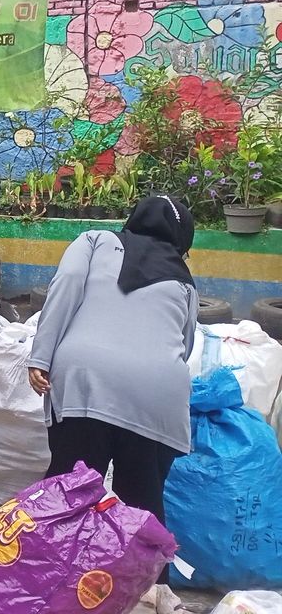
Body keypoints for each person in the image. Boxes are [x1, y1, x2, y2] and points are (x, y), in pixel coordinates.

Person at [27, 194, 198, 614]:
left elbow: (64, 290)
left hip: (88, 380)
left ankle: (44, 575)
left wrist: (40, 355)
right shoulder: (183, 279)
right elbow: (187, 343)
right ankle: (155, 590)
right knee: (142, 495)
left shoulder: (95, 240)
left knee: (71, 487)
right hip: (158, 392)